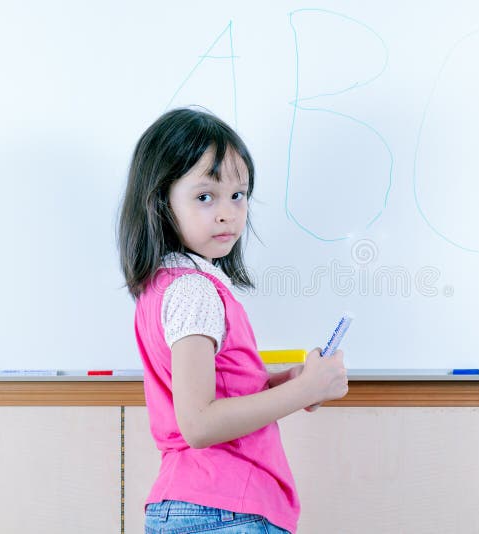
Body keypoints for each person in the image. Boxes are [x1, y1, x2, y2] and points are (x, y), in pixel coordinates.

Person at [118, 108, 349, 534]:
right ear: (160, 202)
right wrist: (305, 390)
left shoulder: (166, 286)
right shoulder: (193, 291)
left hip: (198, 506)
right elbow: (200, 423)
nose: (227, 213)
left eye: (238, 195)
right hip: (223, 511)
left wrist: (288, 383)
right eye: (205, 196)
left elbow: (216, 391)